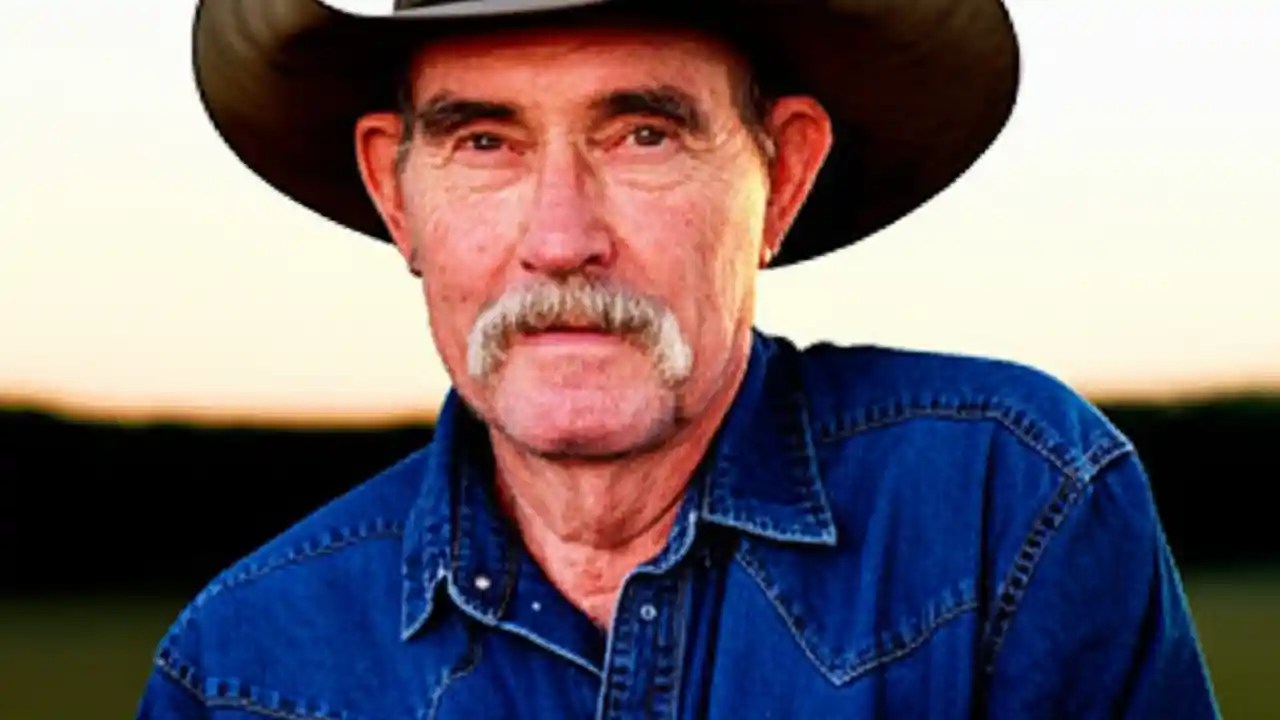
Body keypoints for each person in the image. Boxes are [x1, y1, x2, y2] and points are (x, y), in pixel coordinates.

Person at [138, 1, 1220, 717]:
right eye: (485, 142)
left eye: (640, 135)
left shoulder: (1007, 503)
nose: (560, 237)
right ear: (393, 192)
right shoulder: (244, 667)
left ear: (780, 178)